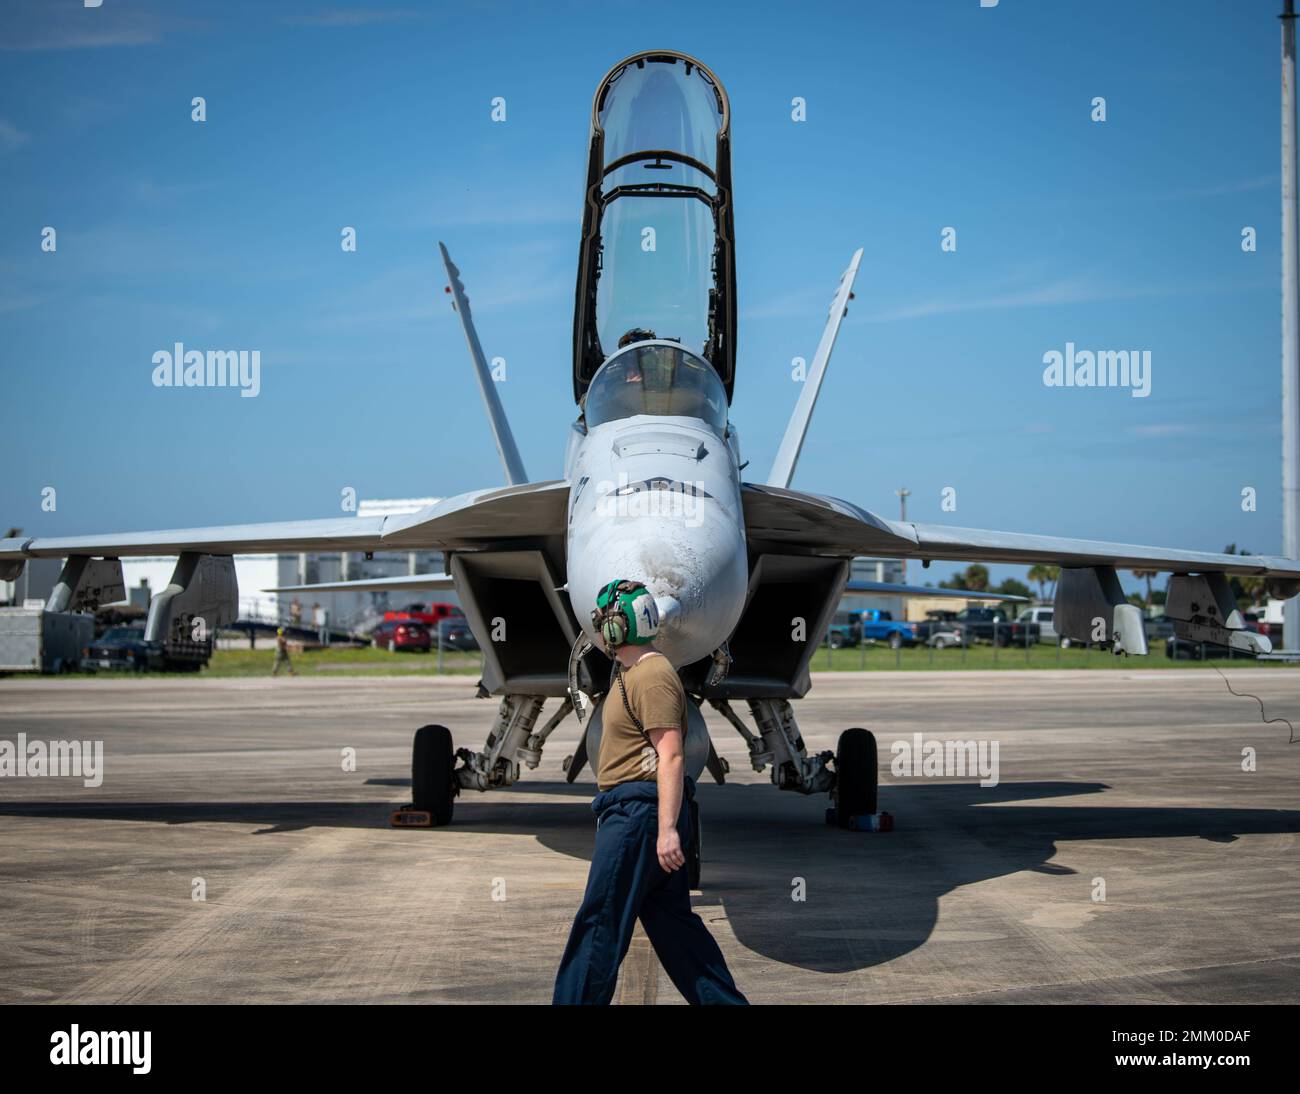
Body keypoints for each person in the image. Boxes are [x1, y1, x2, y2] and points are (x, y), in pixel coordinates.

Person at [552, 579, 747, 1005]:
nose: (600, 630)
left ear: (621, 627)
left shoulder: (654, 676)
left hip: (636, 819)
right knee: (678, 934)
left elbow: (672, 755)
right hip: (639, 816)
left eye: (604, 621)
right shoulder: (634, 672)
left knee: (599, 929)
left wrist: (666, 831)